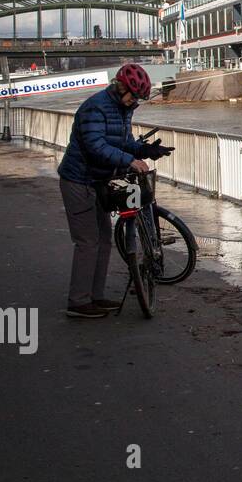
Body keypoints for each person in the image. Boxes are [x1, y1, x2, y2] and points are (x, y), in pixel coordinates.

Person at [56, 63, 172, 318]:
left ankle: (95, 297)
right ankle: (78, 302)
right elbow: (95, 145)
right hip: (78, 181)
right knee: (87, 242)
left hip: (98, 182)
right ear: (120, 87)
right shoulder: (96, 107)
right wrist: (129, 161)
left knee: (104, 240)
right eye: (133, 96)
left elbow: (124, 142)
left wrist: (145, 151)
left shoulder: (123, 108)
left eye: (139, 98)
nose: (135, 102)